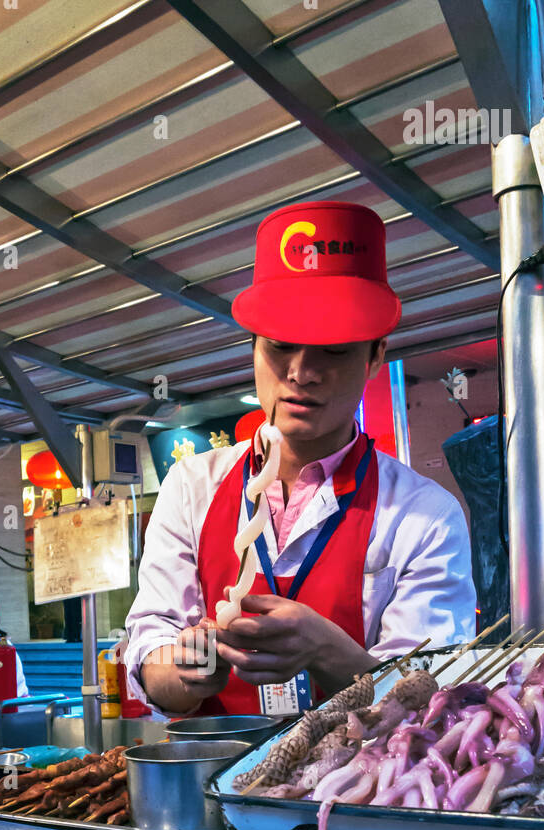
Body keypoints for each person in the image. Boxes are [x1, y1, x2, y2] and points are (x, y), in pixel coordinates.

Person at [124, 200, 476, 717]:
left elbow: (430, 697)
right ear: (252, 346)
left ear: (376, 354)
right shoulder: (191, 485)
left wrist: (325, 649)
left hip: (356, 786)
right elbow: (151, 653)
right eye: (281, 345)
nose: (301, 372)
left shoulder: (425, 515)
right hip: (211, 782)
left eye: (333, 349)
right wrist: (193, 667)